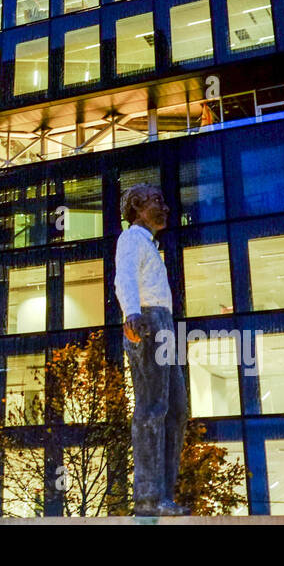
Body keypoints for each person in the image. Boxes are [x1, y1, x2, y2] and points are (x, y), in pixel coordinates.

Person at [115, 184, 189, 517]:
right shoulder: (131, 239)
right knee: (152, 407)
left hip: (162, 321)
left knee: (175, 409)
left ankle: (162, 495)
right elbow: (124, 277)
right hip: (147, 320)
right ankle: (147, 496)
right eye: (157, 201)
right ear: (137, 207)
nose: (166, 207)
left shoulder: (147, 244)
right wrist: (132, 313)